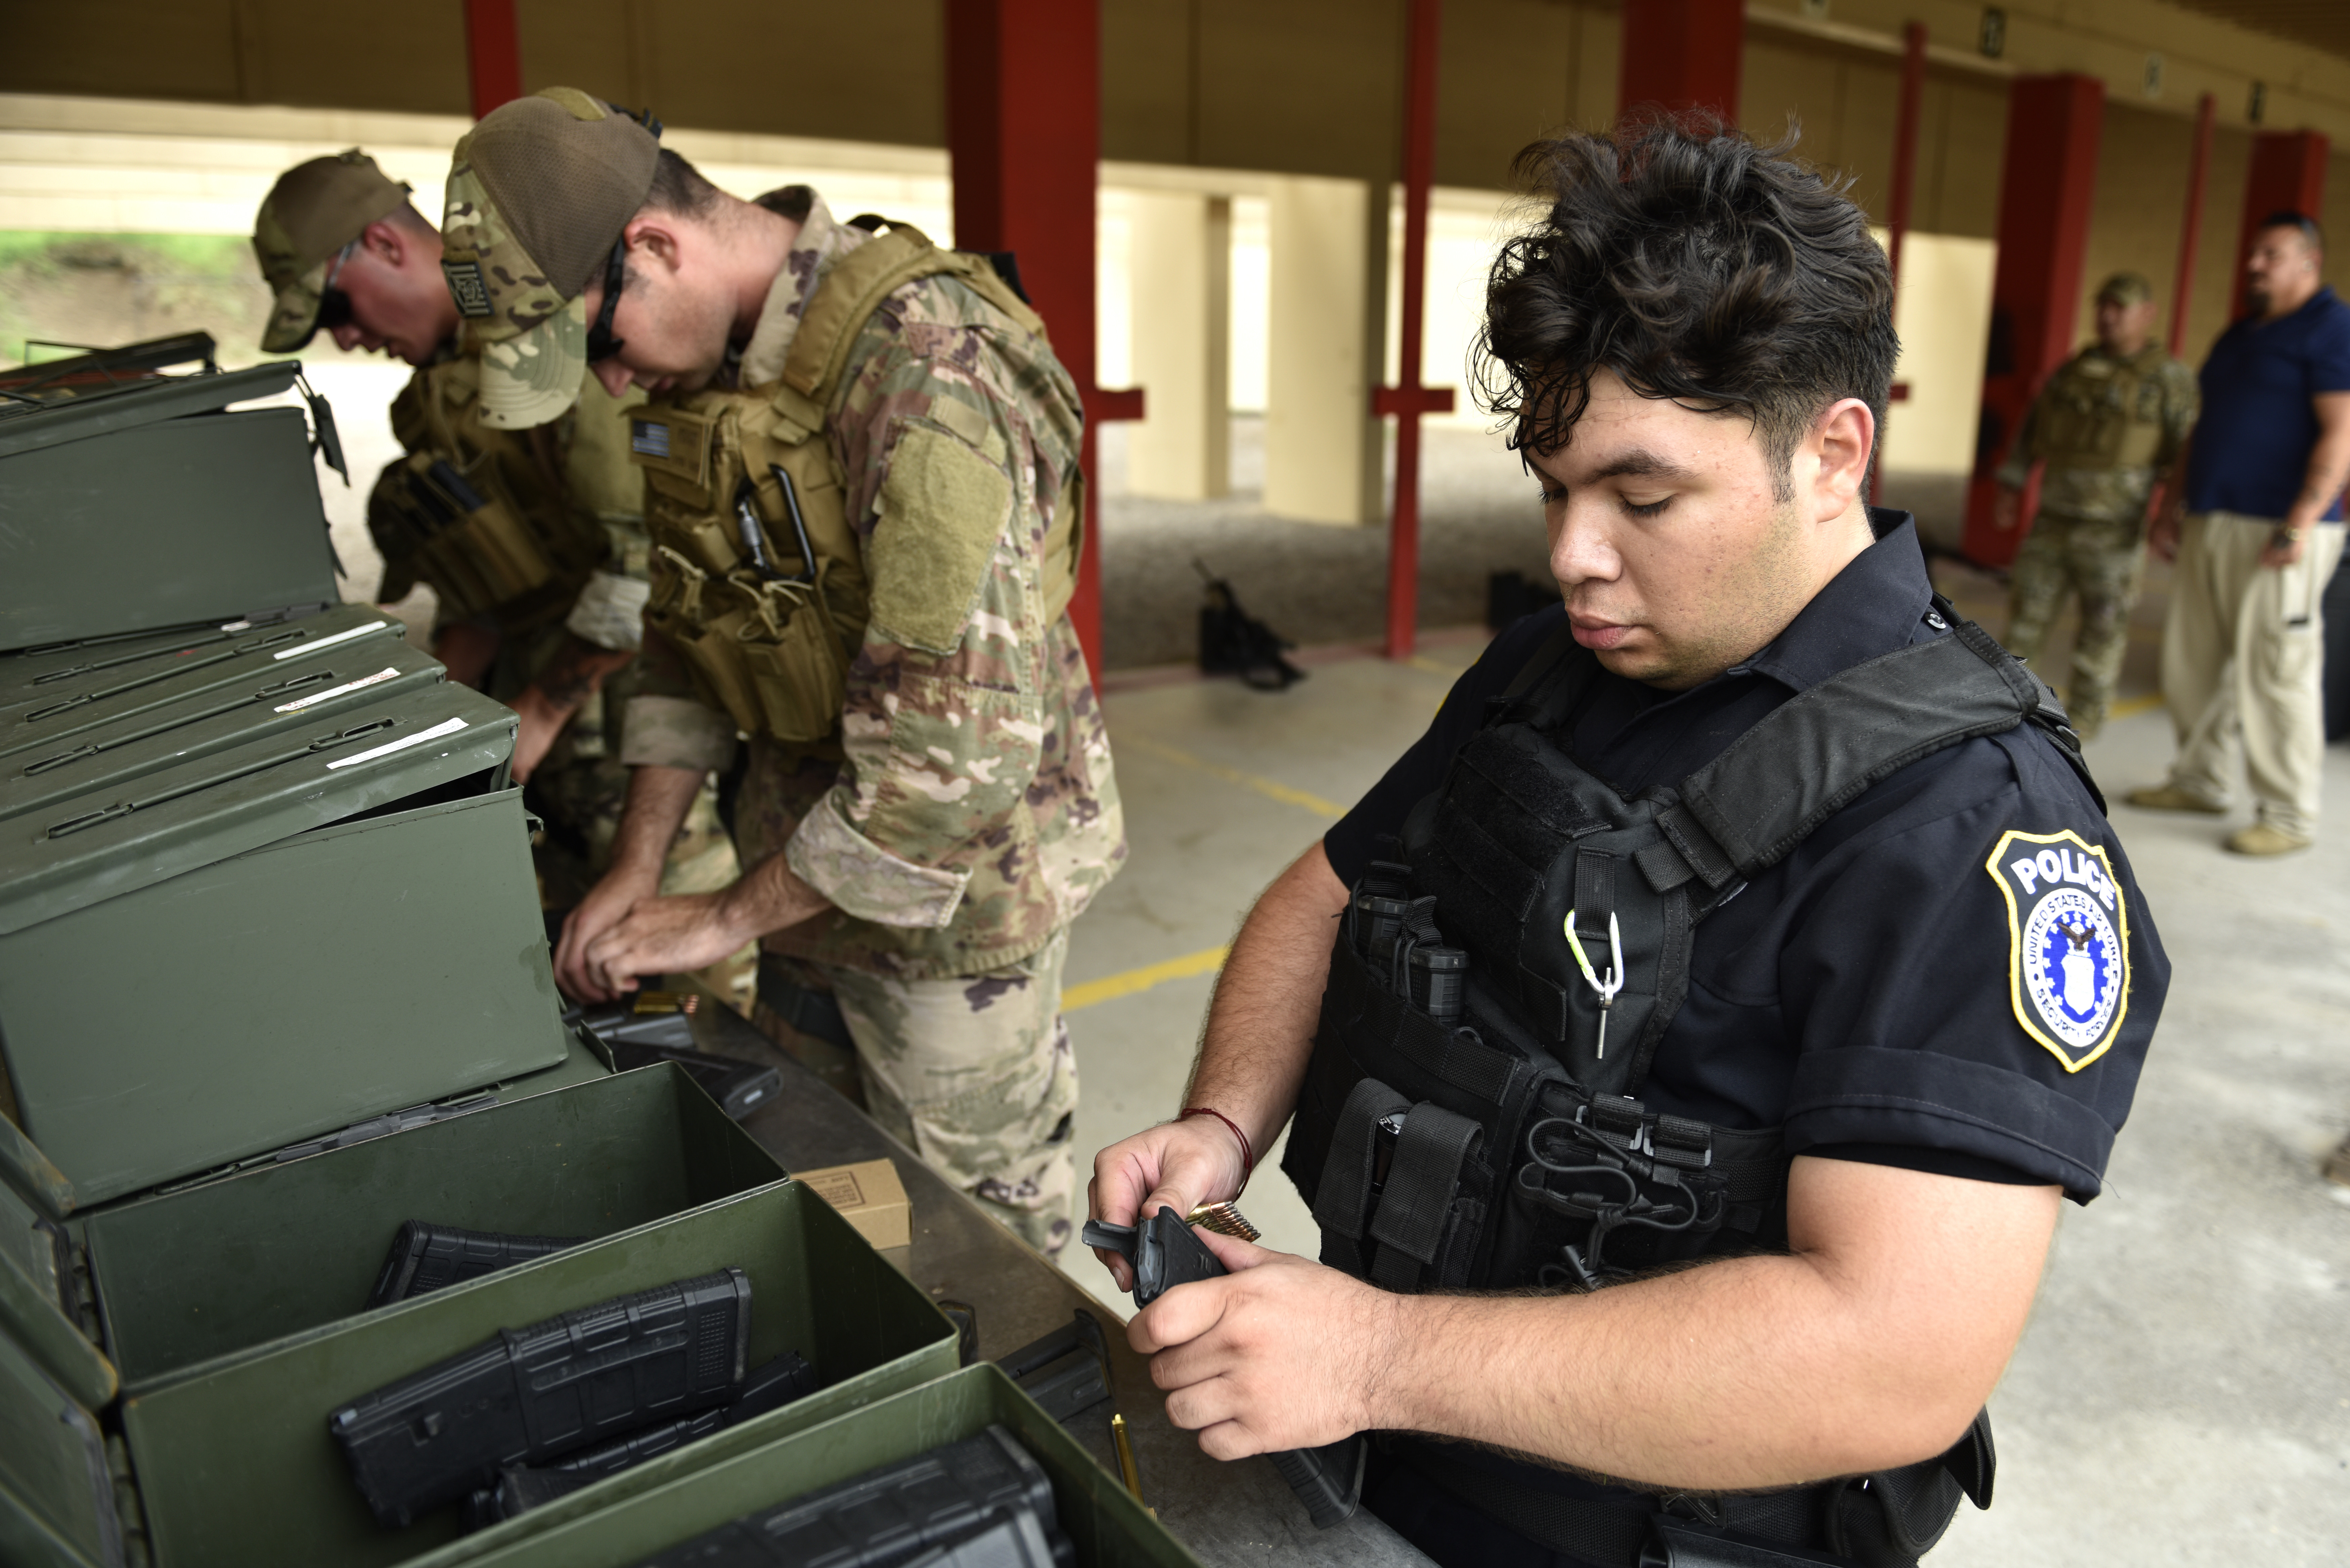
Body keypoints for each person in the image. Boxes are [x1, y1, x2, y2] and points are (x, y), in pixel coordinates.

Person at [1088, 119, 2165, 1568]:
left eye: (1642, 498)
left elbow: (1896, 1354)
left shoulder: (1972, 826)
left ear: (1831, 454)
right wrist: (1223, 1130)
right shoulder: (1556, 666)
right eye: (1555, 490)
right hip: (1372, 1457)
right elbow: (1328, 895)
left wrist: (1377, 1358)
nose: (1573, 555)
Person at [440, 90, 1124, 1255]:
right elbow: (681, 634)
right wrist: (638, 866)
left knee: (982, 1258)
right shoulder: (703, 373)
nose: (609, 388)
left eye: (600, 345)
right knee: (838, 1207)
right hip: (796, 880)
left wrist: (714, 918)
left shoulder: (926, 370)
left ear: (656, 248)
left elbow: (943, 772)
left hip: (948, 919)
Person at [251, 150, 742, 922]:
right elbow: (478, 594)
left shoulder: (559, 351)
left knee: (666, 945)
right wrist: (436, 723)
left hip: (639, 738)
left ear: (385, 244)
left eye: (338, 307)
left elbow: (646, 563)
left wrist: (537, 716)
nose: (344, 339)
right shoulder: (430, 405)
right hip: (537, 736)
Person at [2128, 212, 2350, 857]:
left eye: (2270, 255)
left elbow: (2341, 431)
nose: (2253, 264)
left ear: (2308, 263)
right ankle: (2200, 779)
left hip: (2279, 529)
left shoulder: (2331, 329)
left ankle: (2287, 814)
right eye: (2253, 252)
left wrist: (2301, 520)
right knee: (2193, 661)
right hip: (2214, 519)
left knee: (2276, 671)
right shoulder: (2240, 334)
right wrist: (2172, 506)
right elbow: (2204, 426)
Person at [1993, 271, 2198, 740]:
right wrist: (2011, 484)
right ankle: (2003, 704)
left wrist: (2170, 517)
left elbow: (2184, 452)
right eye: (2101, 306)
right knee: (2025, 619)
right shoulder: (2073, 371)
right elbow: (2032, 432)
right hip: (2053, 523)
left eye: (2119, 308)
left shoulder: (2168, 380)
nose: (2106, 317)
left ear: (2147, 315)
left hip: (2115, 531)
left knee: (2102, 630)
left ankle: (2083, 721)